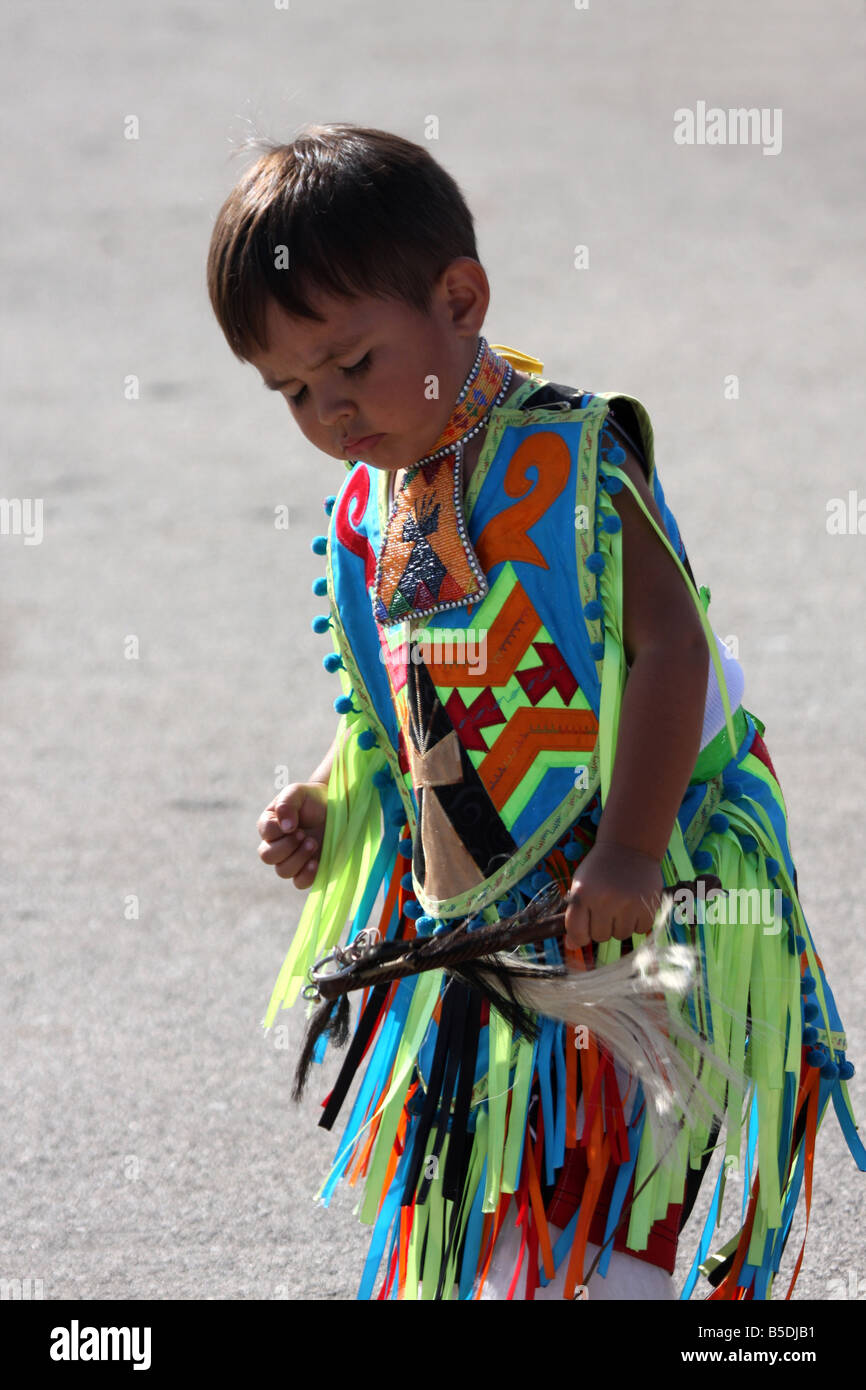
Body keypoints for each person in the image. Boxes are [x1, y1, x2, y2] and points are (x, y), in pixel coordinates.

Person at [206, 123, 863, 1301]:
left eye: (351, 363)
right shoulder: (373, 508)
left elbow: (668, 649)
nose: (328, 410)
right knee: (494, 1219)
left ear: (458, 298)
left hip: (645, 894)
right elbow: (411, 709)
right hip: (490, 935)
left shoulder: (569, 456)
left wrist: (630, 848)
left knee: (609, 1226)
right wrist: (329, 794)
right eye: (292, 390)